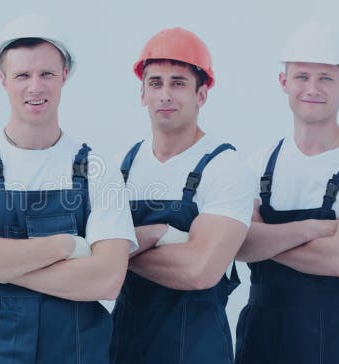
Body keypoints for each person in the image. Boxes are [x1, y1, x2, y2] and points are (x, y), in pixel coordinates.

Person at [0, 14, 137, 363]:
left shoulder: (98, 170)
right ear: (3, 80)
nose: (35, 87)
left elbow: (105, 280)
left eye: (46, 74)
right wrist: (65, 246)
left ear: (64, 76)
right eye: (22, 75)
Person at [234, 22, 339, 364]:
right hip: (260, 339)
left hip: (336, 342)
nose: (313, 88)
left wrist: (264, 239)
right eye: (302, 76)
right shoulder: (260, 162)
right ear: (284, 82)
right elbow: (240, 245)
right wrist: (312, 230)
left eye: (325, 78)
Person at [109, 27, 253, 364]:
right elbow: (90, 260)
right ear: (142, 93)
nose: (165, 95)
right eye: (156, 83)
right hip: (123, 346)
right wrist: (160, 236)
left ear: (201, 94)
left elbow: (199, 270)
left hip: (196, 350)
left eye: (178, 83)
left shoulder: (225, 167)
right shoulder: (119, 167)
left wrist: (117, 251)